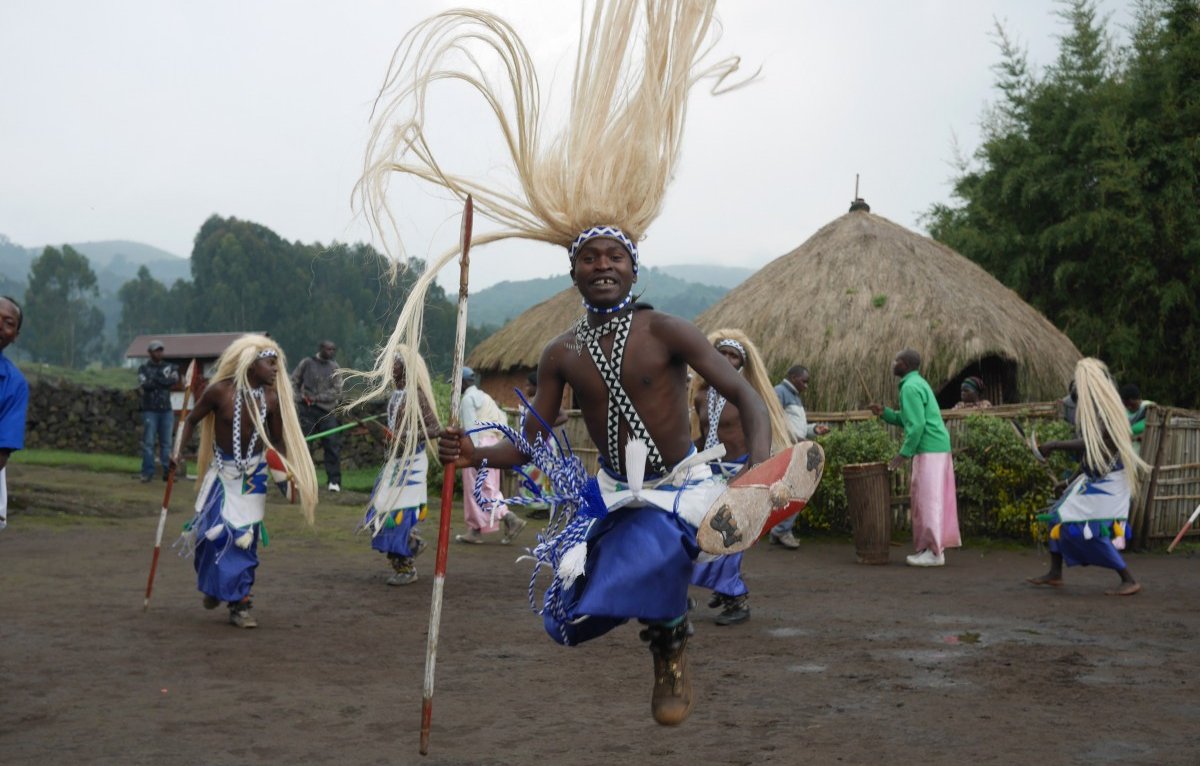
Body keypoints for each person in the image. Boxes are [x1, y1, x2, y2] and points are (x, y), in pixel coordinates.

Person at [358, 0, 760, 726]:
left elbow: (747, 394)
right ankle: (668, 629)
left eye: (614, 256)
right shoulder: (562, 354)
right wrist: (468, 453)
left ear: (634, 267)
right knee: (567, 616)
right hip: (611, 495)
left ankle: (669, 648)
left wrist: (757, 482)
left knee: (648, 557)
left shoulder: (666, 330)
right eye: (589, 257)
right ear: (572, 271)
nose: (601, 266)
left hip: (677, 489)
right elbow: (529, 443)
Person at [172, 335, 318, 628]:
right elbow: (191, 420)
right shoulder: (219, 393)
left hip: (253, 479)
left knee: (242, 541)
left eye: (277, 364)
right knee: (209, 536)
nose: (276, 369)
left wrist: (288, 470)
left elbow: (276, 439)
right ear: (252, 364)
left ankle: (240, 604)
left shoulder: (271, 399)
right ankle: (214, 587)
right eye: (270, 363)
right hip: (222, 475)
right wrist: (176, 453)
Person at [689, 329, 792, 626]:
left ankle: (737, 598)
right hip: (710, 473)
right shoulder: (701, 396)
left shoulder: (748, 397)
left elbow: (758, 438)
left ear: (742, 363)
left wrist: (751, 475)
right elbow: (704, 436)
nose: (727, 359)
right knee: (702, 533)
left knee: (731, 536)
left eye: (734, 355)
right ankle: (723, 592)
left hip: (741, 471)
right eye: (722, 353)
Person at [1027, 358, 1149, 596]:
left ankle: (1128, 579)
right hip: (1095, 476)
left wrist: (1054, 444)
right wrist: (1069, 481)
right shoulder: (1094, 410)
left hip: (1111, 480)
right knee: (1056, 518)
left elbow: (1094, 443)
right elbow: (1091, 456)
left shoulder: (1106, 411)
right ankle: (1055, 573)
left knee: (1092, 529)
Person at [868, 349, 960, 567]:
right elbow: (909, 419)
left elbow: (917, 426)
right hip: (935, 447)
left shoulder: (910, 387)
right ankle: (932, 548)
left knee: (928, 499)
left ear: (905, 364)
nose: (893, 363)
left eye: (896, 360)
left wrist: (903, 454)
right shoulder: (917, 383)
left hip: (930, 449)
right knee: (931, 498)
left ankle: (935, 553)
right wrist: (884, 413)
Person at [361, 349, 441, 585]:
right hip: (394, 464)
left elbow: (435, 428)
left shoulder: (417, 395)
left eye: (393, 363)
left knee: (396, 517)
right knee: (378, 514)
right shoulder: (396, 394)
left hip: (411, 466)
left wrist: (407, 436)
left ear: (405, 366)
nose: (389, 367)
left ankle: (406, 567)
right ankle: (412, 543)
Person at [455, 367, 526, 544]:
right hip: (493, 444)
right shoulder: (486, 398)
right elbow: (502, 420)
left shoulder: (468, 399)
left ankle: (503, 520)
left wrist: (474, 453)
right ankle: (486, 525)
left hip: (477, 445)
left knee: (476, 488)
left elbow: (472, 428)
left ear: (463, 382)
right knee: (489, 487)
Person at [769, 365, 829, 548]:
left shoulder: (794, 397)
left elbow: (796, 427)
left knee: (791, 490)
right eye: (804, 381)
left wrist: (813, 430)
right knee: (797, 490)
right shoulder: (779, 392)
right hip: (785, 450)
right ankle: (781, 531)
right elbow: (773, 419)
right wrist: (796, 438)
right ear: (793, 377)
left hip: (794, 449)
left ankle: (779, 531)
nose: (806, 385)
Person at [291, 340, 343, 492]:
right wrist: (300, 398)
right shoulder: (307, 363)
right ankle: (300, 479)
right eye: (328, 349)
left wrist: (317, 397)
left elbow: (337, 391)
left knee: (332, 445)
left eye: (333, 349)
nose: (331, 352)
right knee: (303, 445)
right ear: (321, 348)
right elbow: (294, 381)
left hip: (327, 412)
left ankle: (334, 482)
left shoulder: (335, 368)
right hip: (306, 410)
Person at [0, 297, 29, 531]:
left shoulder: (14, 383)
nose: (0, 325)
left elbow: (2, 450)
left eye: (8, 322)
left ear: (15, 336)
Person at [137, 340, 180, 482]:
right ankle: (147, 472)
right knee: (149, 442)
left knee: (166, 443)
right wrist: (162, 380)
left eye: (161, 350)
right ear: (150, 352)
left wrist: (155, 380)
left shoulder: (169, 366)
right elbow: (145, 385)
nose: (159, 353)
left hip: (166, 410)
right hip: (150, 410)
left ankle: (167, 472)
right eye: (156, 350)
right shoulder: (143, 368)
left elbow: (174, 380)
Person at [1119, 383, 1153, 456]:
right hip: (1126, 451)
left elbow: (1156, 430)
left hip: (1147, 451)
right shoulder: (1122, 413)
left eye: (1132, 404)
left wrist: (1144, 435)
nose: (1129, 407)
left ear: (1138, 400)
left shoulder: (1149, 408)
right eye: (1126, 405)